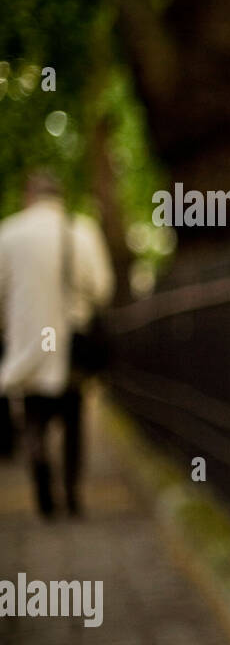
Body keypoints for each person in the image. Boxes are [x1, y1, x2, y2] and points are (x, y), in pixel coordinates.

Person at [0, 170, 115, 518]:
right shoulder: (80, 231)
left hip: (30, 344)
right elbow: (102, 288)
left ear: (29, 196)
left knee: (34, 416)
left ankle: (40, 471)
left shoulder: (9, 233)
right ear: (60, 196)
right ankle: (72, 493)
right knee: (73, 418)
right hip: (69, 344)